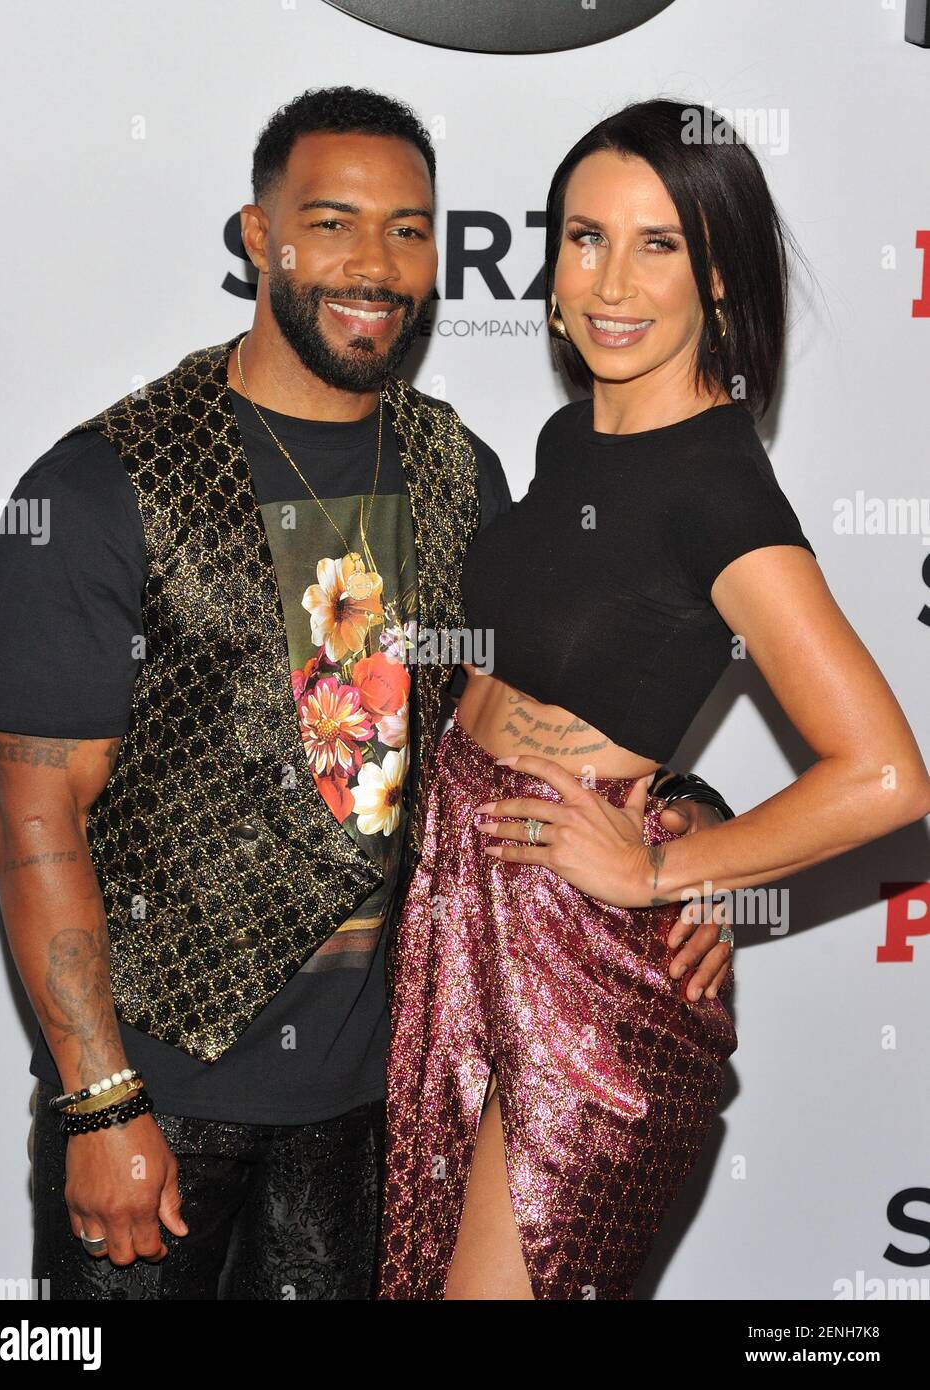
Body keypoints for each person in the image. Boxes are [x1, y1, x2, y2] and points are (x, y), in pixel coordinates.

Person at [0, 87, 729, 1301]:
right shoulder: (103, 485)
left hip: (385, 1104)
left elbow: (530, 708)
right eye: (330, 223)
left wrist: (679, 816)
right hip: (165, 1105)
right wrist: (98, 1098)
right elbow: (34, 819)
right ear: (257, 234)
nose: (372, 265)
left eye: (408, 230)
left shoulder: (455, 468)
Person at [375, 98, 930, 1302]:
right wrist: (678, 799)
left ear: (717, 275)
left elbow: (885, 775)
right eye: (584, 238)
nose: (609, 282)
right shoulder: (571, 441)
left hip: (578, 961)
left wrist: (674, 869)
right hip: (462, 911)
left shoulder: (717, 489)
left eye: (656, 244)